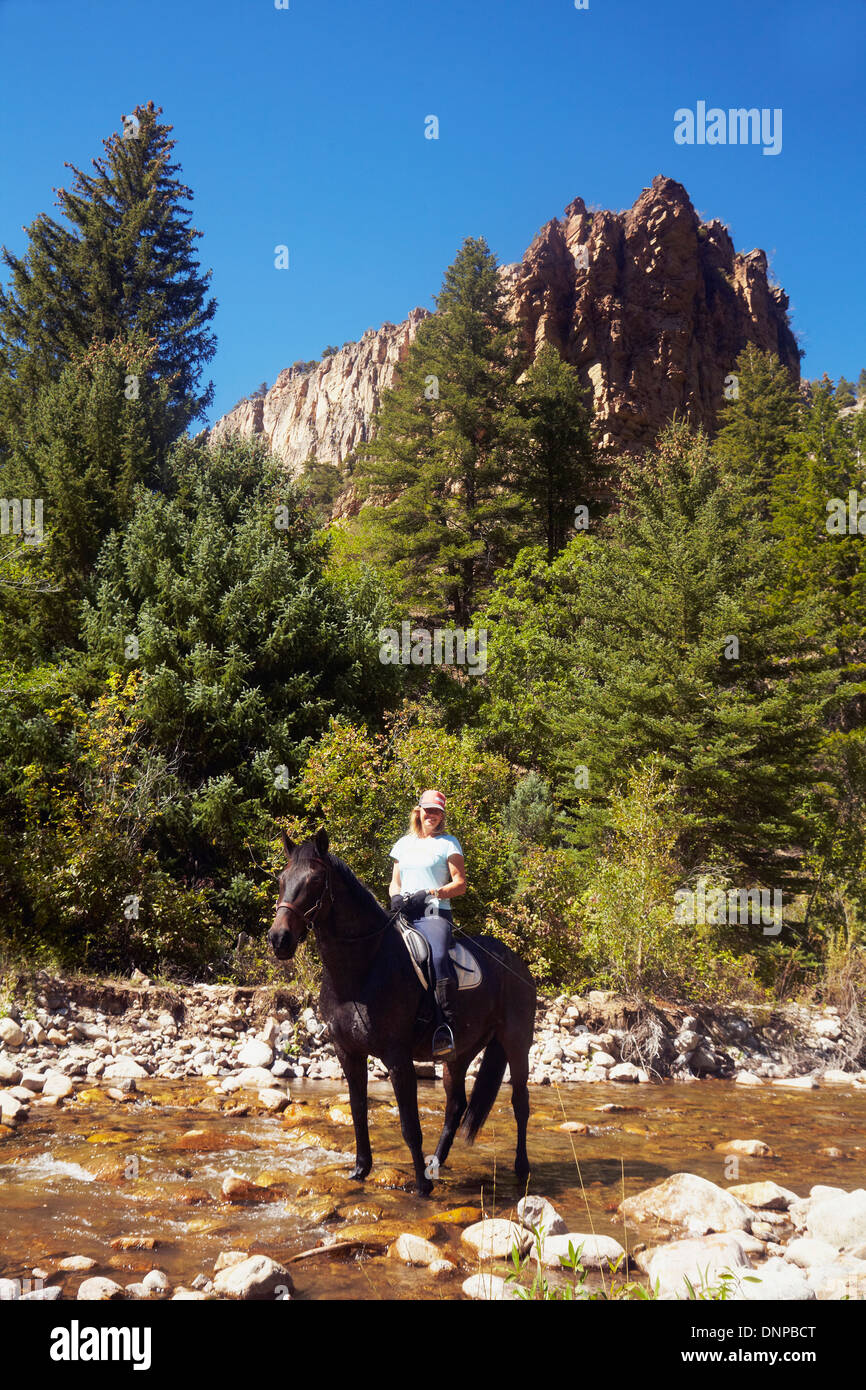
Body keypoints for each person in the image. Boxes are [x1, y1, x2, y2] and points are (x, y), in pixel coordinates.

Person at [389, 789, 466, 1058]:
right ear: (418, 811)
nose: (432, 815)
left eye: (437, 811)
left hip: (434, 913)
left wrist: (432, 893)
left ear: (442, 816)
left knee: (438, 956)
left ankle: (446, 1026)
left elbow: (460, 884)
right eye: (428, 810)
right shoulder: (403, 844)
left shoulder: (448, 843)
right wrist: (395, 897)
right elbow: (395, 881)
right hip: (405, 913)